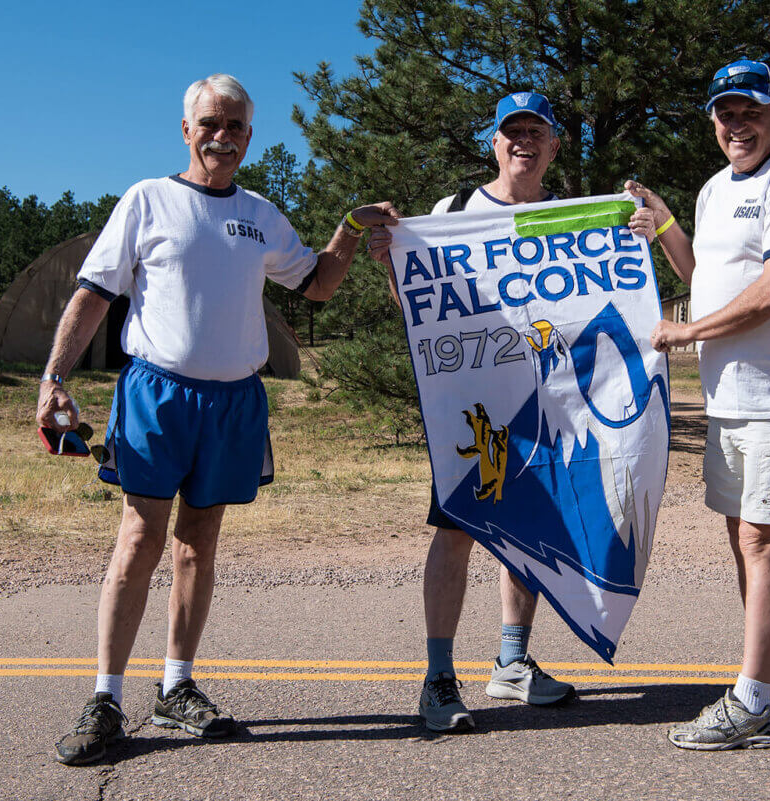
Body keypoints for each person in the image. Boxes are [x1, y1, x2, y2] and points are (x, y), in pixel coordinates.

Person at [37, 73, 398, 765]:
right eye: (209, 123)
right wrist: (54, 379)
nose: (222, 136)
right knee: (140, 538)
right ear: (186, 130)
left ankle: (176, 688)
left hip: (234, 401)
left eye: (235, 126)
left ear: (249, 137)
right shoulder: (148, 199)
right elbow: (94, 294)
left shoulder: (261, 214)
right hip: (157, 393)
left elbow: (318, 283)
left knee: (198, 543)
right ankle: (106, 699)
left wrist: (351, 228)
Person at [628, 59, 770, 750]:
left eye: (751, 110)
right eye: (726, 113)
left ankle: (750, 704)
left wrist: (685, 332)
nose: (737, 124)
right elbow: (707, 277)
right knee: (743, 539)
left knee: (762, 539)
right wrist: (665, 225)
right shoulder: (714, 190)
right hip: (729, 394)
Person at [369, 91, 576, 733]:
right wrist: (393, 266)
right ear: (494, 143)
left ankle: (512, 662)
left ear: (554, 145)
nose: (523, 141)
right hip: (472, 408)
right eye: (512, 131)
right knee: (456, 531)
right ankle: (438, 677)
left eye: (536, 131)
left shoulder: (571, 218)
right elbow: (421, 310)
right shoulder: (453, 213)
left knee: (529, 530)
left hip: (543, 405)